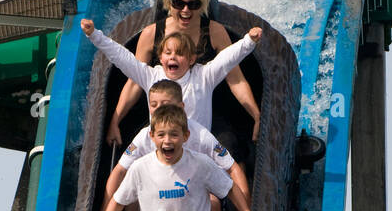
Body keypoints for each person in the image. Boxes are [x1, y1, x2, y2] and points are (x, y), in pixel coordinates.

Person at [104, 0, 261, 150]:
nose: (186, 10)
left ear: (202, 4)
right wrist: (114, 121)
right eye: (179, 4)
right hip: (160, 114)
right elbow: (134, 83)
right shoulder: (151, 34)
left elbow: (236, 79)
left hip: (204, 111)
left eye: (193, 4)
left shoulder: (214, 32)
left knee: (229, 145)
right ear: (169, 2)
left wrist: (256, 116)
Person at [98, 80, 251, 211]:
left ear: (186, 136)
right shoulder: (142, 151)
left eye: (174, 135)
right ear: (153, 136)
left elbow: (231, 177)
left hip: (194, 199)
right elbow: (119, 178)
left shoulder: (201, 143)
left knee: (214, 203)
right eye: (154, 105)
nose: (167, 141)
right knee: (131, 195)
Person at [80, 19, 261, 134]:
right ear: (160, 57)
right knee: (123, 172)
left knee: (230, 176)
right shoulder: (151, 76)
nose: (173, 56)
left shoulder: (204, 76)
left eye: (179, 53)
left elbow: (227, 59)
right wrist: (95, 35)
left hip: (195, 151)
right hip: (160, 150)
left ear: (191, 59)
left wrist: (249, 41)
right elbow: (122, 57)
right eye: (168, 52)